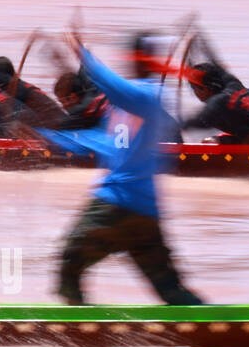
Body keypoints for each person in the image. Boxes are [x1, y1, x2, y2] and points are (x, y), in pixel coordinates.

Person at [36, 33, 203, 306]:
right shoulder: (125, 104)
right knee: (170, 290)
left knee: (70, 261)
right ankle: (206, 328)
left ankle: (78, 334)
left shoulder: (151, 96)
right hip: (144, 212)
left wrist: (83, 54)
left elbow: (113, 86)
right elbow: (106, 143)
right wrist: (49, 138)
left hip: (114, 205)